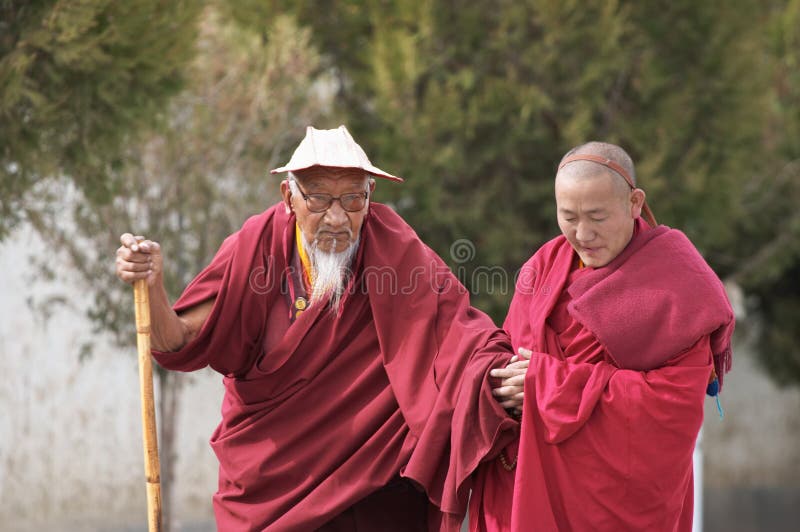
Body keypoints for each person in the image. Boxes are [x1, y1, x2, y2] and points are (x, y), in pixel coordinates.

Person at [115, 125, 522, 531]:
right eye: (319, 198)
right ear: (288, 196)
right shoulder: (256, 248)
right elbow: (178, 340)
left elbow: (460, 338)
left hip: (377, 494)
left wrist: (503, 380)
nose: (336, 217)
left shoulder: (398, 250)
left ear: (370, 197)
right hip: (270, 489)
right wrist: (152, 287)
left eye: (352, 199)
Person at [469, 142, 735, 531]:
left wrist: (547, 385)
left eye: (597, 216)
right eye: (568, 217)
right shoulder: (544, 267)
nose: (582, 233)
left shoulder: (678, 285)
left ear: (634, 202)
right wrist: (502, 387)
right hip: (530, 485)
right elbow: (514, 357)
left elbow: (674, 408)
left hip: (617, 505)